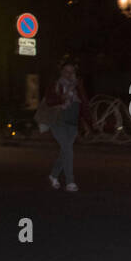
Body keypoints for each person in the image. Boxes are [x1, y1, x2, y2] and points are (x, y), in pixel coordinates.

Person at [45, 60, 89, 192]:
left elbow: (84, 104)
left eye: (72, 72)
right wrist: (63, 97)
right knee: (68, 150)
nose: (69, 74)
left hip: (73, 123)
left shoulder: (78, 85)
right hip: (58, 122)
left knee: (66, 150)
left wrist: (88, 123)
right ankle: (70, 182)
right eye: (66, 71)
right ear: (61, 72)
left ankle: (53, 175)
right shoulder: (56, 84)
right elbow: (49, 101)